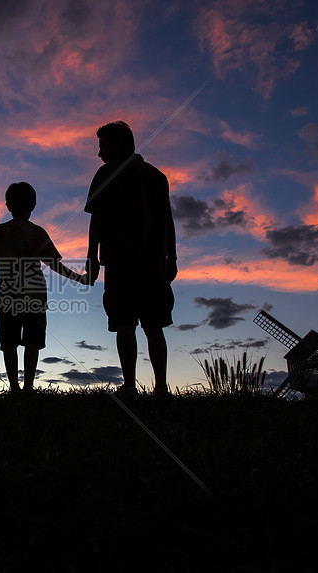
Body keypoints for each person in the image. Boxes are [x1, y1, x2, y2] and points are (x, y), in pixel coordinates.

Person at [0, 182, 87, 393]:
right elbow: (54, 264)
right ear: (33, 205)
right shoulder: (38, 232)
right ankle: (28, 386)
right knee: (32, 343)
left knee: (9, 344)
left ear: (8, 205)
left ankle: (15, 387)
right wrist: (78, 278)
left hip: (7, 297)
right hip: (35, 296)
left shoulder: (1, 231)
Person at [84, 121, 177, 397]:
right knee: (154, 325)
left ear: (118, 145)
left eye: (103, 146)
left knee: (125, 323)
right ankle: (161, 387)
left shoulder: (106, 173)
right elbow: (168, 221)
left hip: (121, 260)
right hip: (154, 262)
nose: (99, 154)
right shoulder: (157, 176)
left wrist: (91, 256)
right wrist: (172, 257)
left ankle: (129, 386)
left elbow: (97, 218)